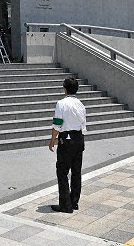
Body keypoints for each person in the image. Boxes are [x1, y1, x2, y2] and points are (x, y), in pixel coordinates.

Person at [49, 77, 87, 213]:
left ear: (65, 88)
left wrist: (53, 140)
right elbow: (83, 125)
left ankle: (65, 205)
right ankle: (74, 201)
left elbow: (57, 124)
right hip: (79, 138)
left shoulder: (62, 103)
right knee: (76, 172)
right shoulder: (81, 104)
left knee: (62, 171)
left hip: (66, 138)